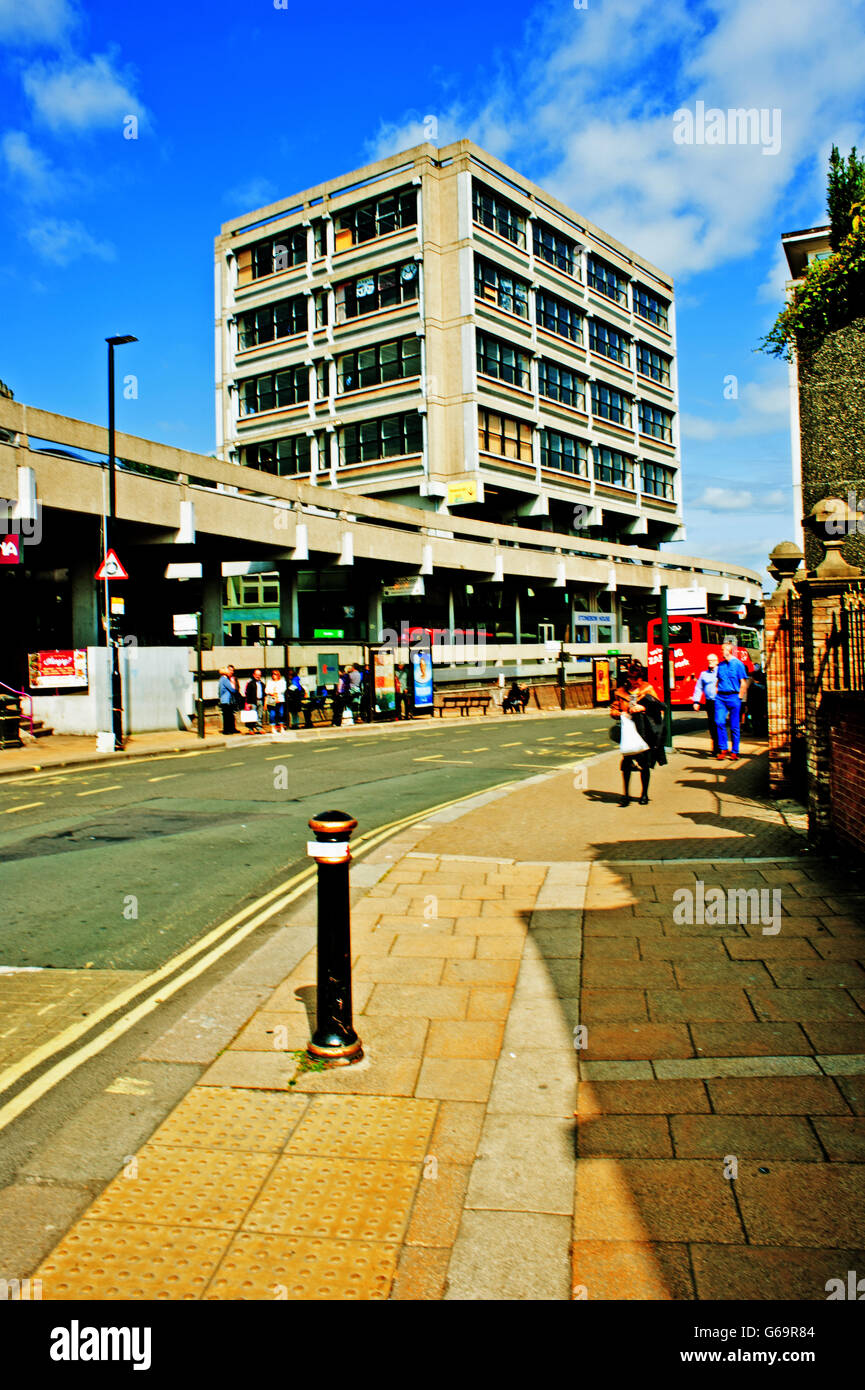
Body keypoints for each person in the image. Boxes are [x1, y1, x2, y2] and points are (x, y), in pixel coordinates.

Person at [610, 661, 666, 806]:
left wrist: (643, 708)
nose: (635, 682)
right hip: (628, 731)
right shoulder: (621, 692)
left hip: (644, 731)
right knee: (627, 763)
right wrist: (622, 712)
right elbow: (613, 711)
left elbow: (659, 708)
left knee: (644, 763)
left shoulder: (647, 689)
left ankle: (644, 794)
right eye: (632, 679)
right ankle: (626, 795)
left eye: (637, 680)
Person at [714, 639, 749, 761]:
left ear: (729, 650)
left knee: (734, 725)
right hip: (721, 698)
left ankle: (735, 751)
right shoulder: (721, 665)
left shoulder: (738, 664)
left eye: (722, 649)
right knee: (719, 721)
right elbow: (718, 681)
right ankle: (723, 749)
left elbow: (743, 683)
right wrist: (716, 692)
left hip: (734, 697)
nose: (721, 651)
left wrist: (739, 697)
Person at [692, 652, 720, 754]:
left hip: (720, 702)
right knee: (712, 724)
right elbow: (698, 688)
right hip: (710, 703)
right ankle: (716, 747)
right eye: (709, 660)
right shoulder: (704, 674)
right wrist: (696, 701)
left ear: (717, 662)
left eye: (712, 660)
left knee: (719, 723)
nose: (710, 662)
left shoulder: (720, 672)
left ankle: (720, 747)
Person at [243, 668, 266, 734]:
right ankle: (251, 729)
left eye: (259, 675)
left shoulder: (262, 684)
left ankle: (259, 728)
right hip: (252, 702)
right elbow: (247, 694)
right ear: (253, 675)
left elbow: (264, 693)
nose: (258, 676)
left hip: (260, 701)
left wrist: (264, 702)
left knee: (259, 715)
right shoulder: (250, 683)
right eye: (256, 674)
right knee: (252, 715)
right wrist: (248, 703)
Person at [265, 668, 287, 733]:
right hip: (272, 700)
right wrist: (272, 693)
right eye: (273, 674)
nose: (274, 675)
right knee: (272, 714)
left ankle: (281, 727)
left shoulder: (282, 682)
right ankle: (273, 727)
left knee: (281, 713)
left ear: (278, 675)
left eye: (275, 674)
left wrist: (276, 692)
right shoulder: (269, 682)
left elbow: (283, 689)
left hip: (280, 699)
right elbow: (266, 690)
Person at [219, 665, 238, 735]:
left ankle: (228, 729)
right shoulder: (225, 679)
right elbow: (231, 689)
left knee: (227, 715)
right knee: (227, 716)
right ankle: (226, 730)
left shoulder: (221, 679)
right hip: (226, 700)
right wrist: (235, 690)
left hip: (224, 700)